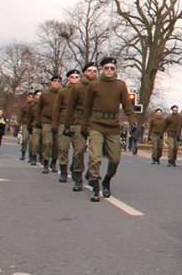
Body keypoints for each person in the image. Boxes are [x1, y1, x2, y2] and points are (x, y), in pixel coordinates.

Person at [80, 57, 136, 202]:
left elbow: (127, 105)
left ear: (115, 70)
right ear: (102, 70)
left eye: (112, 68)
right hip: (96, 125)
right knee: (95, 158)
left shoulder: (120, 85)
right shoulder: (94, 85)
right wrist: (84, 126)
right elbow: (87, 108)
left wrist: (132, 121)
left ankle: (107, 180)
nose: (109, 71)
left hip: (113, 126)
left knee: (115, 159)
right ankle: (95, 187)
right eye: (106, 68)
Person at [63, 62, 97, 192]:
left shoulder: (100, 86)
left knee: (96, 152)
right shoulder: (77, 88)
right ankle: (78, 176)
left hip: (95, 121)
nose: (92, 73)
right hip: (79, 121)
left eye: (94, 71)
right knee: (79, 150)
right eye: (89, 70)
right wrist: (67, 126)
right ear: (84, 72)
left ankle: (92, 172)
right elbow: (70, 108)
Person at [56, 69, 81, 183]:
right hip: (64, 122)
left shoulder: (84, 90)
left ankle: (76, 168)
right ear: (68, 78)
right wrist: (55, 124)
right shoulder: (63, 91)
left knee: (79, 150)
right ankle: (63, 171)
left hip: (78, 122)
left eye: (77, 77)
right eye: (72, 77)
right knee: (63, 148)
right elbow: (57, 108)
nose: (74, 79)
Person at [38, 76, 63, 174]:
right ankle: (45, 162)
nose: (57, 83)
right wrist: (38, 122)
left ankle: (54, 162)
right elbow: (39, 108)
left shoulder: (63, 93)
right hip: (46, 121)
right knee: (47, 142)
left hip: (59, 121)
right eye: (55, 81)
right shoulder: (45, 94)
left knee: (57, 144)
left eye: (59, 81)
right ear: (51, 82)